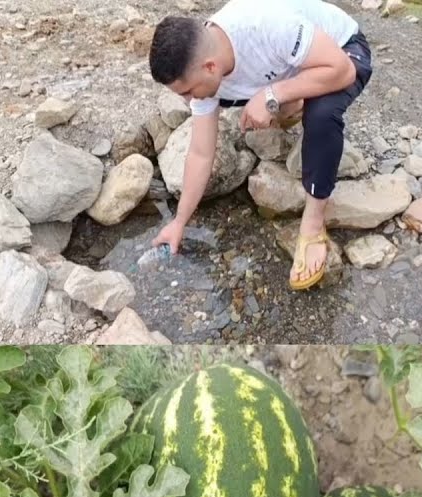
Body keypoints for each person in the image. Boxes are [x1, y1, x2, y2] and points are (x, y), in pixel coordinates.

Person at [148, 0, 373, 291]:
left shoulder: (266, 26)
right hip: (291, 64)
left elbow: (343, 72)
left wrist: (271, 95)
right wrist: (179, 222)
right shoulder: (204, 69)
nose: (188, 101)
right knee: (232, 96)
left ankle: (314, 223)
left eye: (188, 92)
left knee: (321, 116)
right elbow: (201, 153)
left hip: (342, 52)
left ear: (210, 66)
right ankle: (294, 100)